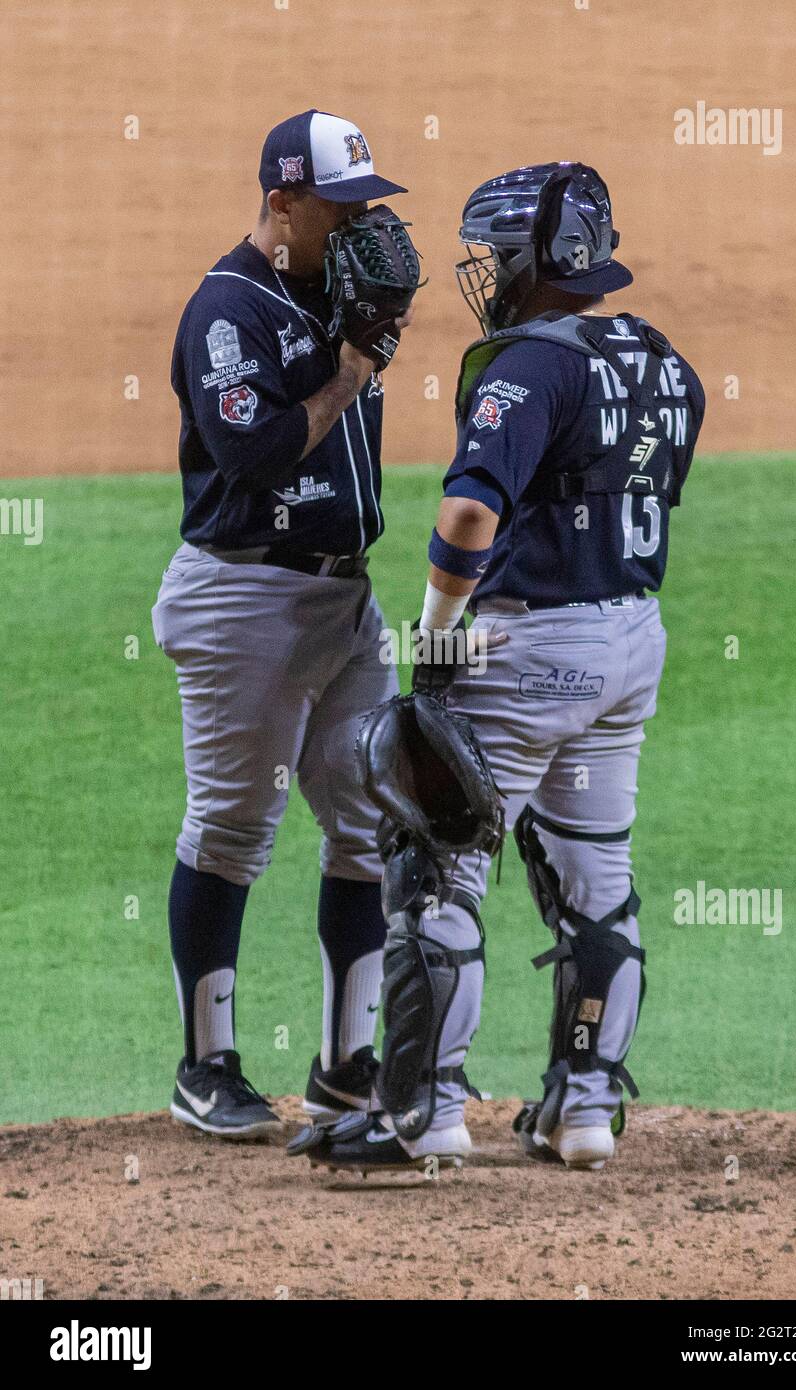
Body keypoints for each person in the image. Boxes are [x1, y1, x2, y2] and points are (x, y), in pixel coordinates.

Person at [304, 161, 705, 1173]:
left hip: (528, 648)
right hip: (629, 643)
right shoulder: (662, 360)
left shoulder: (526, 361)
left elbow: (470, 514)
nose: (483, 271)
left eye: (492, 252)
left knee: (436, 876)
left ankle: (423, 1116)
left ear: (537, 255)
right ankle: (580, 1112)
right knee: (595, 880)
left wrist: (435, 635)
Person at [152, 109, 411, 1138]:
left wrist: (354, 349)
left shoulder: (335, 296)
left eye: (366, 207)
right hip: (243, 597)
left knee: (369, 820)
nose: (357, 228)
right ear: (280, 202)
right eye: (339, 209)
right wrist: (349, 371)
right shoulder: (226, 311)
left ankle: (348, 1062)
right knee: (230, 828)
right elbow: (253, 453)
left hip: (343, 599)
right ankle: (205, 1065)